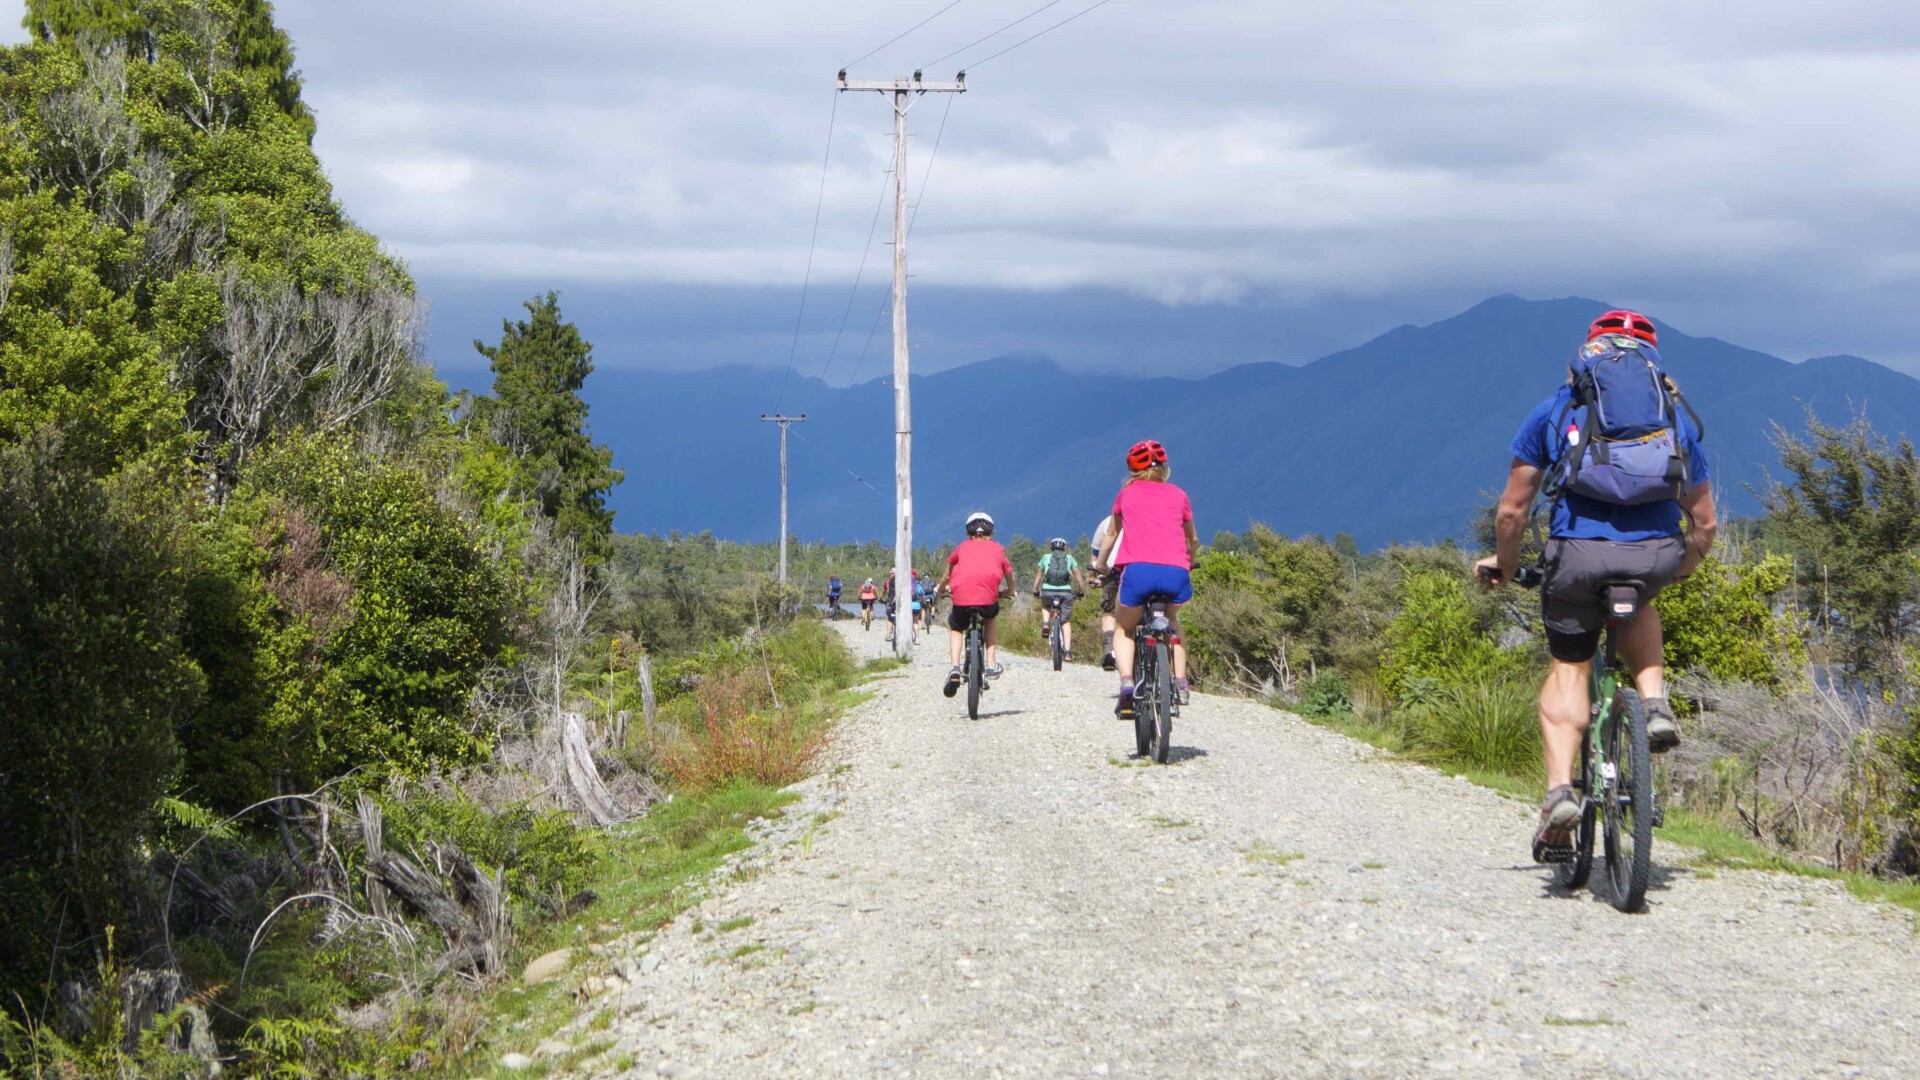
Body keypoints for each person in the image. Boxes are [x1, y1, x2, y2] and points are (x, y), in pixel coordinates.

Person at [1475, 309, 1717, 861]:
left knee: (1569, 666)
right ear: (1652, 363)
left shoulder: (1556, 410)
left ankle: (1561, 794)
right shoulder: (1672, 420)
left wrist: (1506, 565)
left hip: (1578, 557)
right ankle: (1654, 704)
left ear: (1588, 357)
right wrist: (1678, 570)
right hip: (1654, 555)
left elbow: (1512, 511)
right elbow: (1704, 524)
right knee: (1642, 602)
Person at [1091, 441, 1200, 719]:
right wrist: (1189, 560)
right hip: (1175, 573)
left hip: (1138, 573)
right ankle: (1181, 683)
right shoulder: (1180, 495)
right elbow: (1192, 539)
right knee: (1172, 623)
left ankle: (1128, 684)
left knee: (1125, 628)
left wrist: (1101, 564)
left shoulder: (1126, 495)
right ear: (1165, 468)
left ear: (1132, 470)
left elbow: (1111, 534)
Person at [938, 511, 1016, 696]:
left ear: (968, 533)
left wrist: (940, 589)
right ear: (991, 532)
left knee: (957, 627)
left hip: (961, 597)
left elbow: (947, 574)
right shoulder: (998, 549)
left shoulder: (962, 548)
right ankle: (991, 664)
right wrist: (1010, 591)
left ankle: (955, 668)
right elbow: (1009, 574)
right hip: (988, 597)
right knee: (990, 617)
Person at [1030, 537, 1088, 661]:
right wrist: (1081, 591)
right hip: (1065, 592)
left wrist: (1035, 590)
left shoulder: (1045, 557)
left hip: (1047, 591)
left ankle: (1046, 624)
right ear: (1064, 548)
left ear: (1051, 548)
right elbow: (1078, 577)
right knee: (1065, 621)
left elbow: (1039, 575)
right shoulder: (1070, 558)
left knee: (1046, 605)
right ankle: (1067, 653)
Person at [1090, 515, 1121, 670]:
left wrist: (1092, 576)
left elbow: (1095, 555)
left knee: (1110, 613)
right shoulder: (1148, 516)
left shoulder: (1106, 522)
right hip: (1143, 570)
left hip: (1112, 573)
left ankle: (1109, 649)